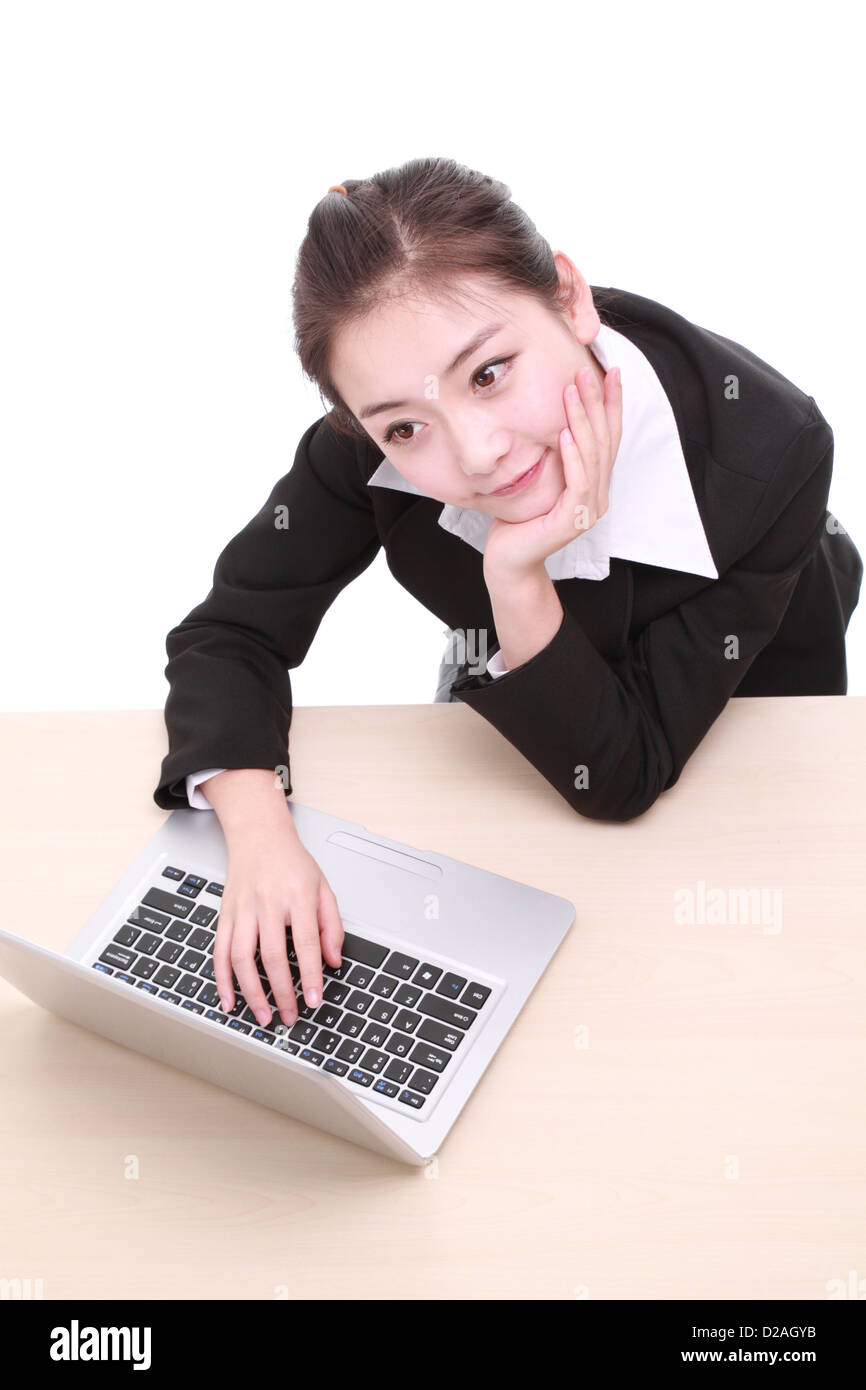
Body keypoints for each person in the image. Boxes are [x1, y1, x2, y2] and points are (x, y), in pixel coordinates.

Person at [153, 155, 863, 1038]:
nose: (479, 453)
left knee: (755, 928)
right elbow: (229, 632)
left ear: (570, 298)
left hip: (753, 649)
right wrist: (261, 841)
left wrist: (512, 575)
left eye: (488, 373)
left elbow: (622, 777)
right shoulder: (370, 442)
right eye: (405, 427)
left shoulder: (772, 448)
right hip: (539, 664)